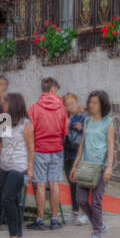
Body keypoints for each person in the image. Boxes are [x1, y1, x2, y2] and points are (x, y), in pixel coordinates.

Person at [69, 90, 115, 238]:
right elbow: (82, 145)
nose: (91, 105)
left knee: (95, 201)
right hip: (85, 166)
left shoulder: (108, 122)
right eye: (90, 102)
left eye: (95, 102)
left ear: (102, 105)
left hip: (100, 167)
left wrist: (109, 167)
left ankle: (96, 234)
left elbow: (110, 146)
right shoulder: (87, 121)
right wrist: (74, 166)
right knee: (81, 199)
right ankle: (100, 224)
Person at [28, 77, 69, 229]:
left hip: (39, 149)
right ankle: (54, 218)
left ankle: (39, 220)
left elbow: (29, 131)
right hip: (57, 149)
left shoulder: (34, 108)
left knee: (40, 185)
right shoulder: (62, 108)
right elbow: (65, 131)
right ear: (52, 90)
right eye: (56, 91)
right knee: (54, 184)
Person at [0, 93, 34, 238]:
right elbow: (2, 144)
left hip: (19, 166)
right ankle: (15, 234)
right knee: (11, 201)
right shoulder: (5, 120)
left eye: (6, 103)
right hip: (4, 165)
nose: (3, 105)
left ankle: (14, 236)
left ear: (14, 105)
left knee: (7, 198)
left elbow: (31, 147)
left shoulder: (26, 124)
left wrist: (30, 168)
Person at [62, 93, 87, 223]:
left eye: (72, 103)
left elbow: (91, 132)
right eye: (67, 104)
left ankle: (85, 213)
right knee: (72, 184)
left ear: (76, 102)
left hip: (79, 154)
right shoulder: (64, 117)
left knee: (81, 184)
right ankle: (75, 211)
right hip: (67, 154)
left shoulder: (83, 116)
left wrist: (81, 128)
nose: (70, 106)